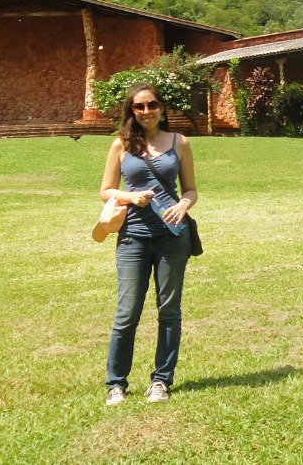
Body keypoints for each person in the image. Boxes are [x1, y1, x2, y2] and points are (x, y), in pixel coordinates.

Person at [99, 82, 198, 405]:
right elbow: (106, 190)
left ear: (162, 108)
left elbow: (191, 189)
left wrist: (183, 205)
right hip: (133, 237)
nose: (146, 111)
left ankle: (161, 380)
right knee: (127, 311)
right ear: (131, 111)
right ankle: (116, 383)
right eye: (139, 106)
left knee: (169, 310)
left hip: (172, 237)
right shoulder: (121, 144)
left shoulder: (179, 142)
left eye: (152, 105)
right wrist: (130, 197)